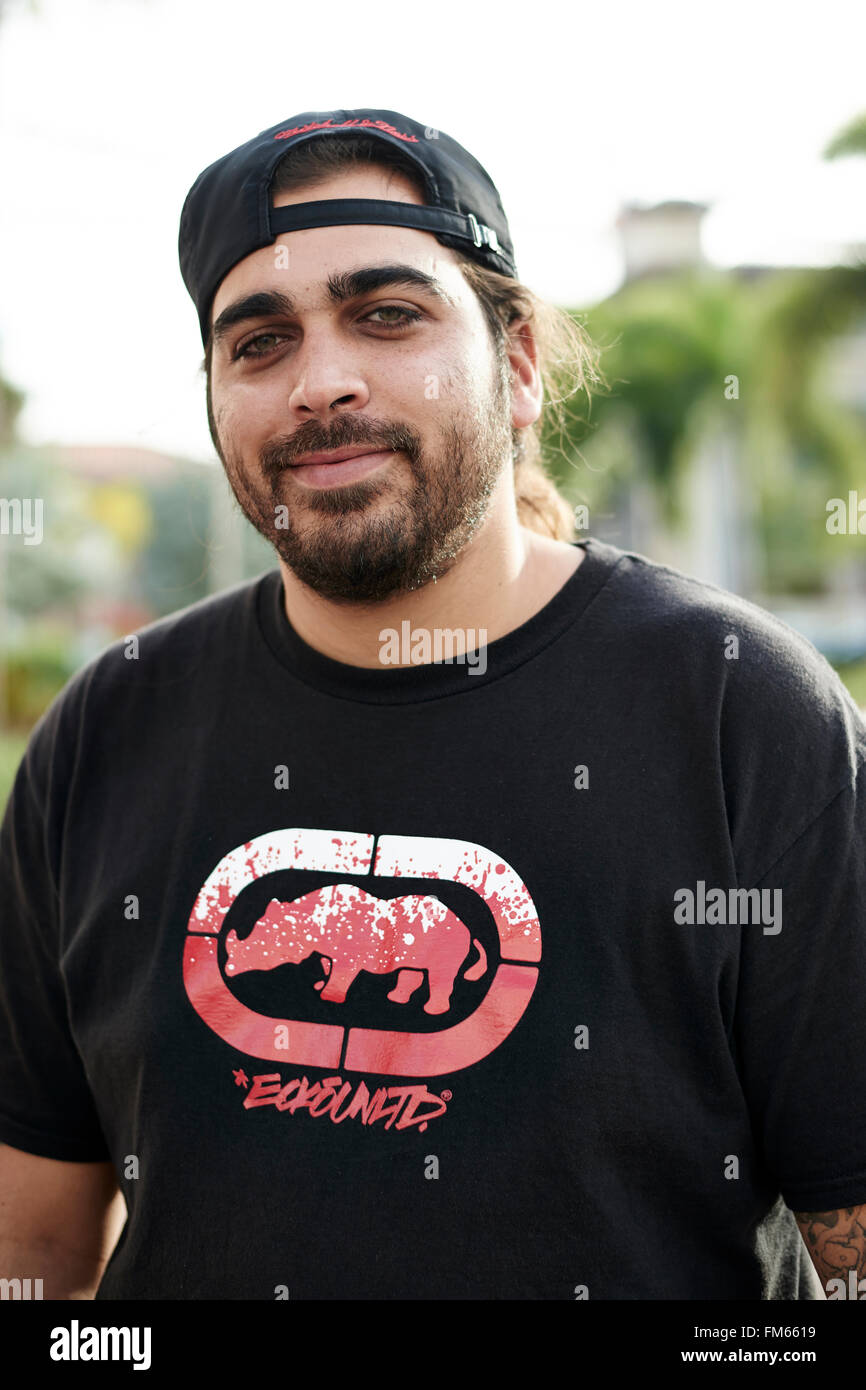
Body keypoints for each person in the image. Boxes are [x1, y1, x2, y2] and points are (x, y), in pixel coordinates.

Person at [1, 107, 865, 1302]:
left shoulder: (738, 712)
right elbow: (33, 1245)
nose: (322, 381)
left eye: (386, 314)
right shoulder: (104, 732)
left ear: (514, 365)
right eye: (258, 341)